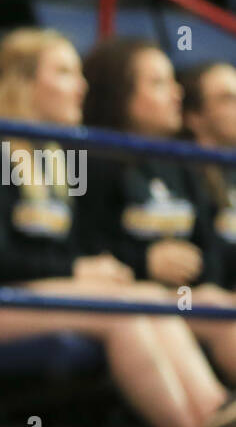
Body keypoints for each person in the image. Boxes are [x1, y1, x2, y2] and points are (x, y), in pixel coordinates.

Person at [0, 28, 236, 427]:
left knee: (143, 297)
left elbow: (70, 245)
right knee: (122, 311)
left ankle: (212, 413)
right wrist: (76, 272)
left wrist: (88, 269)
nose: (82, 87)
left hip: (38, 294)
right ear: (24, 81)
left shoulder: (57, 156)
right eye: (65, 73)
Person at [79, 37, 236, 388]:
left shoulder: (181, 162)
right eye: (158, 82)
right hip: (126, 296)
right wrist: (143, 261)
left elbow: (209, 249)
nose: (176, 93)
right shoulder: (92, 162)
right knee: (216, 308)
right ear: (121, 92)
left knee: (220, 302)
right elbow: (84, 246)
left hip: (183, 297)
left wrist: (193, 269)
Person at [179, 60, 236, 360]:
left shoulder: (231, 172)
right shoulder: (182, 175)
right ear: (195, 117)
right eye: (228, 98)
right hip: (199, 298)